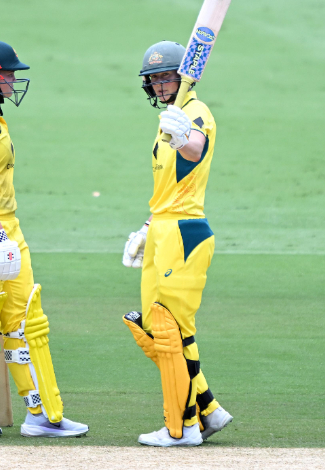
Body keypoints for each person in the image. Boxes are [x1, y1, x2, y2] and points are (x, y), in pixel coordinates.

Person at [0, 39, 88, 438]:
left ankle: (42, 414)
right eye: (7, 73)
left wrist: (5, 234)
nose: (12, 79)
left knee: (24, 321)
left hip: (4, 228)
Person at [121, 41, 233, 447]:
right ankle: (208, 408)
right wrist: (147, 227)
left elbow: (196, 149)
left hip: (185, 232)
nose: (158, 85)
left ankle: (182, 426)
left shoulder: (195, 113)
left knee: (171, 331)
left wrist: (184, 136)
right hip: (164, 227)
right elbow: (170, 184)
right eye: (153, 79)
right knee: (157, 328)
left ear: (183, 77)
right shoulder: (169, 117)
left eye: (165, 77)